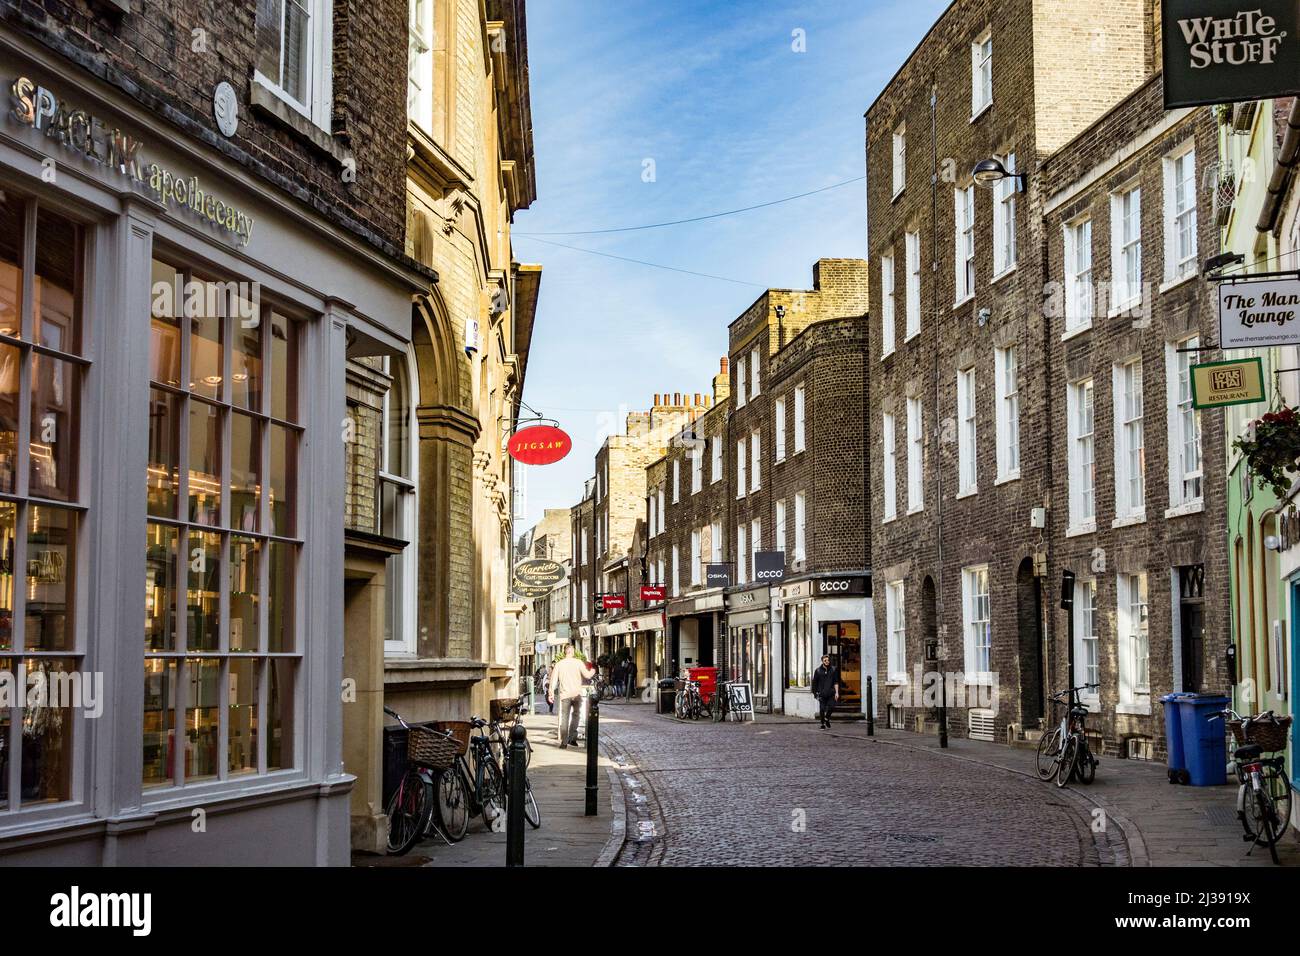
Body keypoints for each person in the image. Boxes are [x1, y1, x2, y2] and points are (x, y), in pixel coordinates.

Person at [548, 646, 594, 748]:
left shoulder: (559, 664)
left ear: (565, 652)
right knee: (576, 715)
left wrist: (551, 693)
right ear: (572, 652)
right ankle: (572, 738)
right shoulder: (578, 662)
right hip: (576, 694)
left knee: (565, 718)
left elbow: (553, 680)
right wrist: (593, 670)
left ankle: (564, 742)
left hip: (565, 695)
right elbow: (587, 675)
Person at [811, 654, 840, 729]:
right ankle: (822, 724)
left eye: (828, 660)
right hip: (822, 694)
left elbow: (836, 682)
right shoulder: (818, 671)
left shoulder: (833, 670)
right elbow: (814, 683)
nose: (827, 661)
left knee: (832, 707)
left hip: (831, 693)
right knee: (822, 709)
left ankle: (826, 718)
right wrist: (815, 694)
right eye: (825, 660)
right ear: (822, 661)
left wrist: (837, 692)